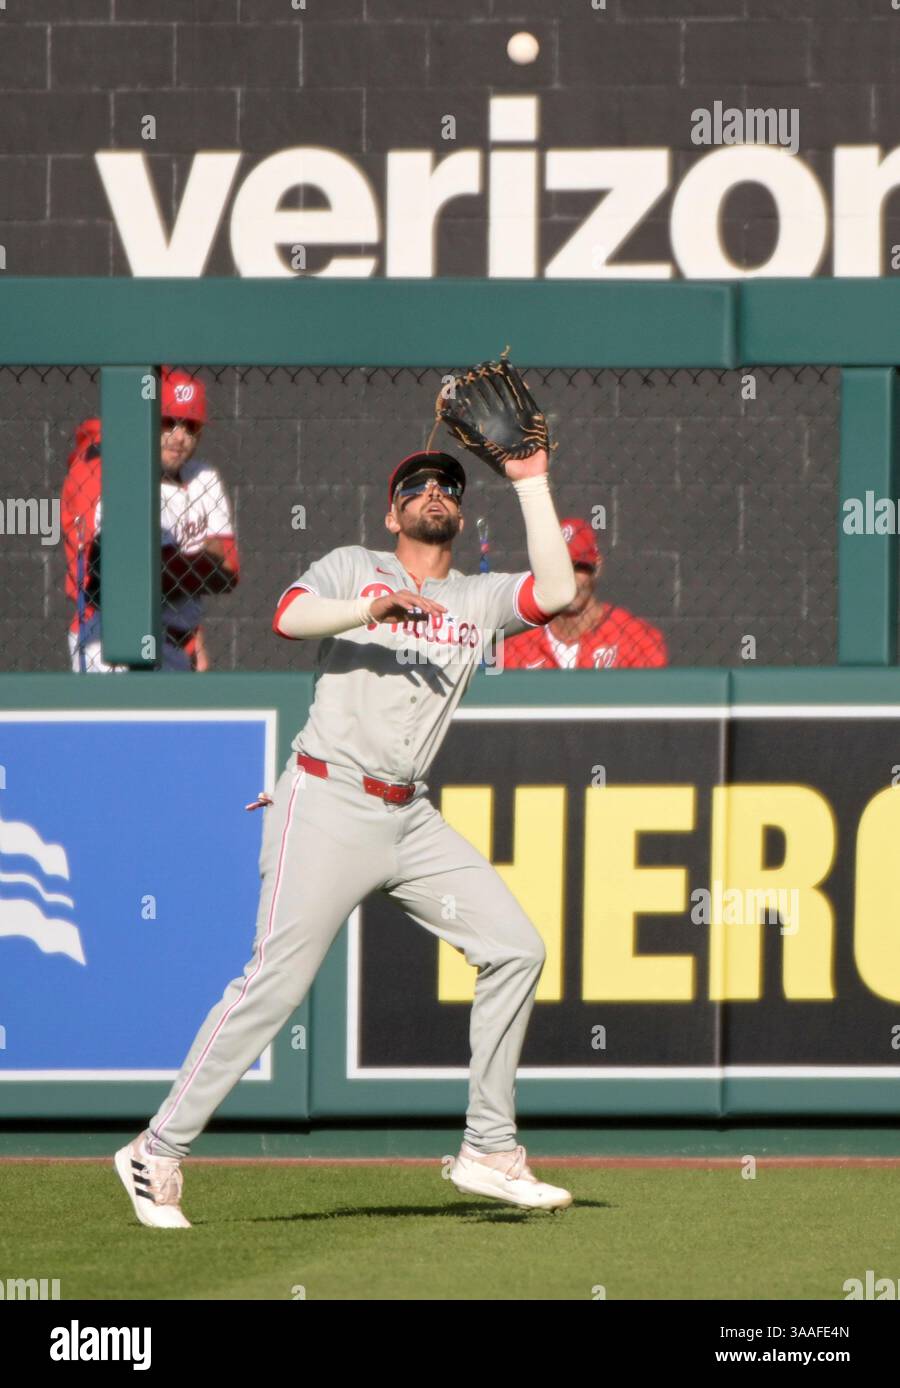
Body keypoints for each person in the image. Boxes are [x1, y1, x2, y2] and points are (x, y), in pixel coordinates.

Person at [113, 445, 577, 1227]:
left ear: (461, 514)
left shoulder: (477, 597)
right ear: (392, 513)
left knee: (516, 949)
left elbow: (557, 592)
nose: (435, 492)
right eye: (417, 487)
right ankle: (154, 1151)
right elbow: (287, 616)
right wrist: (370, 609)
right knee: (274, 984)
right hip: (327, 799)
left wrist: (531, 481)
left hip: (409, 815)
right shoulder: (353, 566)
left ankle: (489, 1149)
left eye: (449, 486)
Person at [61, 368, 239, 673]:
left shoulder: (203, 476)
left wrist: (171, 568)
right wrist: (202, 562)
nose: (179, 436)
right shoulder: (111, 471)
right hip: (109, 640)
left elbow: (229, 569)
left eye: (190, 426)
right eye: (168, 422)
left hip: (177, 642)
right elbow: (129, 579)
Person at [501, 517, 668, 670]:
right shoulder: (515, 644)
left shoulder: (637, 639)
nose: (567, 579)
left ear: (597, 566)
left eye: (577, 566)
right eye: (557, 566)